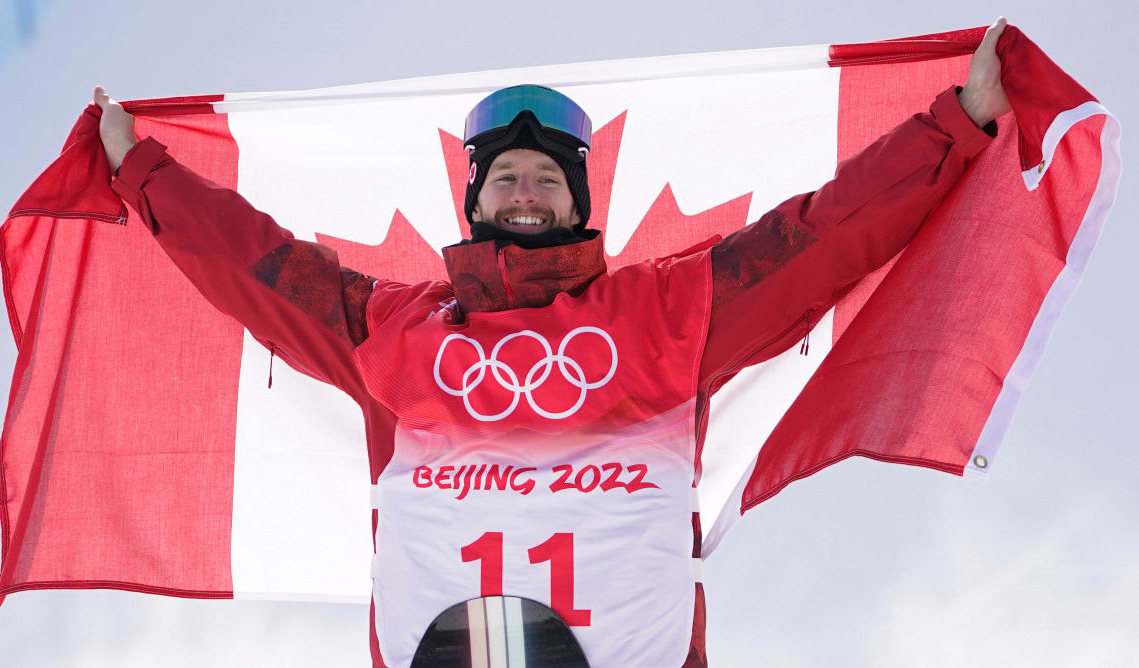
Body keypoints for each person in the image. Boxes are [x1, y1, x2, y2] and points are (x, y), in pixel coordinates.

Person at [94, 18, 1012, 668]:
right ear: (474, 200)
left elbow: (814, 240)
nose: (525, 191)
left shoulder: (665, 309)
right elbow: (259, 269)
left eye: (544, 177)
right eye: (505, 178)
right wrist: (143, 171)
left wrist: (956, 125)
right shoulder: (394, 330)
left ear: (578, 202)